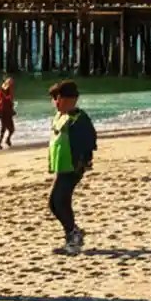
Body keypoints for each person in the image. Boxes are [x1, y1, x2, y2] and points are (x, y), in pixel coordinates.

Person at [47, 80, 97, 256]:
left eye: (57, 99)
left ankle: (73, 237)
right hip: (62, 166)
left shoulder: (79, 118)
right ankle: (74, 232)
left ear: (68, 100)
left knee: (59, 201)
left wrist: (84, 161)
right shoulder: (61, 116)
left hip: (73, 167)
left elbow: (90, 140)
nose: (55, 103)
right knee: (54, 203)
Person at [0, 76, 16, 149]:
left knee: (11, 129)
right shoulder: (2, 91)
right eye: (11, 83)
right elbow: (5, 100)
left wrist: (12, 109)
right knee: (4, 128)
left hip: (6, 111)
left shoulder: (7, 90)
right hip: (2, 111)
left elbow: (9, 101)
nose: (12, 85)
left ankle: (7, 140)